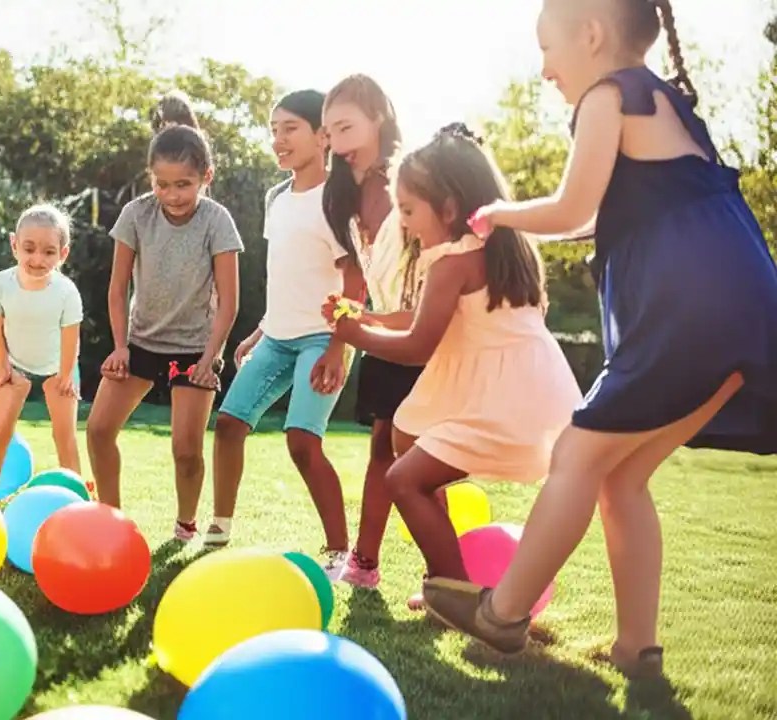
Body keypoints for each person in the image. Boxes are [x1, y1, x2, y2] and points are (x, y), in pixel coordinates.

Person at [423, 0, 777, 679]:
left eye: (548, 49)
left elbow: (571, 206)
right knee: (622, 477)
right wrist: (529, 226)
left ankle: (502, 614)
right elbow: (607, 213)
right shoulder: (668, 105)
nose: (546, 70)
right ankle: (636, 650)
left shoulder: (609, 94)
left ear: (591, 34)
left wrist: (496, 214)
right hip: (743, 304)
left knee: (578, 454)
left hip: (690, 309)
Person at [323, 123, 581, 608]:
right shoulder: (508, 251)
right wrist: (367, 317)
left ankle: (452, 590)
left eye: (407, 210)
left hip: (500, 396)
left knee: (403, 478)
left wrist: (355, 335)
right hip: (532, 385)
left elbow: (420, 345)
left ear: (448, 208)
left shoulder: (450, 262)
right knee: (406, 436)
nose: (401, 223)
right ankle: (448, 578)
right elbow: (435, 320)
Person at [207, 90, 359, 577]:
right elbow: (288, 276)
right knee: (230, 423)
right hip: (277, 335)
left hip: (323, 338)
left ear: (322, 135)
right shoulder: (276, 198)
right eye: (273, 129)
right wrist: (259, 332)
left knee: (301, 441)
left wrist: (339, 345)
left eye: (289, 128)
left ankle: (339, 549)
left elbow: (354, 280)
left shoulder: (337, 199)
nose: (278, 139)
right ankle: (221, 524)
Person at [86, 125, 242, 541]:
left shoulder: (216, 220)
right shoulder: (137, 213)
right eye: (162, 184)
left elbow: (229, 301)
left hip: (194, 350)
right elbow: (117, 288)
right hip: (139, 344)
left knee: (186, 452)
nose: (172, 195)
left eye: (184, 185)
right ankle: (110, 520)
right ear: (150, 176)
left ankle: (186, 523)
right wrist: (119, 347)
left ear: (206, 177)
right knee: (99, 430)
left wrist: (211, 359)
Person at [320, 74, 429, 588]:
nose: (337, 143)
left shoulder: (412, 181)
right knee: (383, 446)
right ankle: (365, 563)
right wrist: (341, 340)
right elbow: (359, 282)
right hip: (381, 338)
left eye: (346, 127)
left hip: (424, 334)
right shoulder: (343, 194)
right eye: (330, 132)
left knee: (418, 455)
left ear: (379, 117)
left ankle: (443, 576)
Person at [0, 204, 84, 499]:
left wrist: (66, 376)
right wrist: (2, 365)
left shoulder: (66, 292)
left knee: (64, 437)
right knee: (0, 431)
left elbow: (71, 338)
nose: (37, 259)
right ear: (15, 245)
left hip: (59, 367)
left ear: (63, 254)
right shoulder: (1, 283)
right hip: (15, 365)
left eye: (49, 252)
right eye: (29, 249)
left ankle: (78, 504)